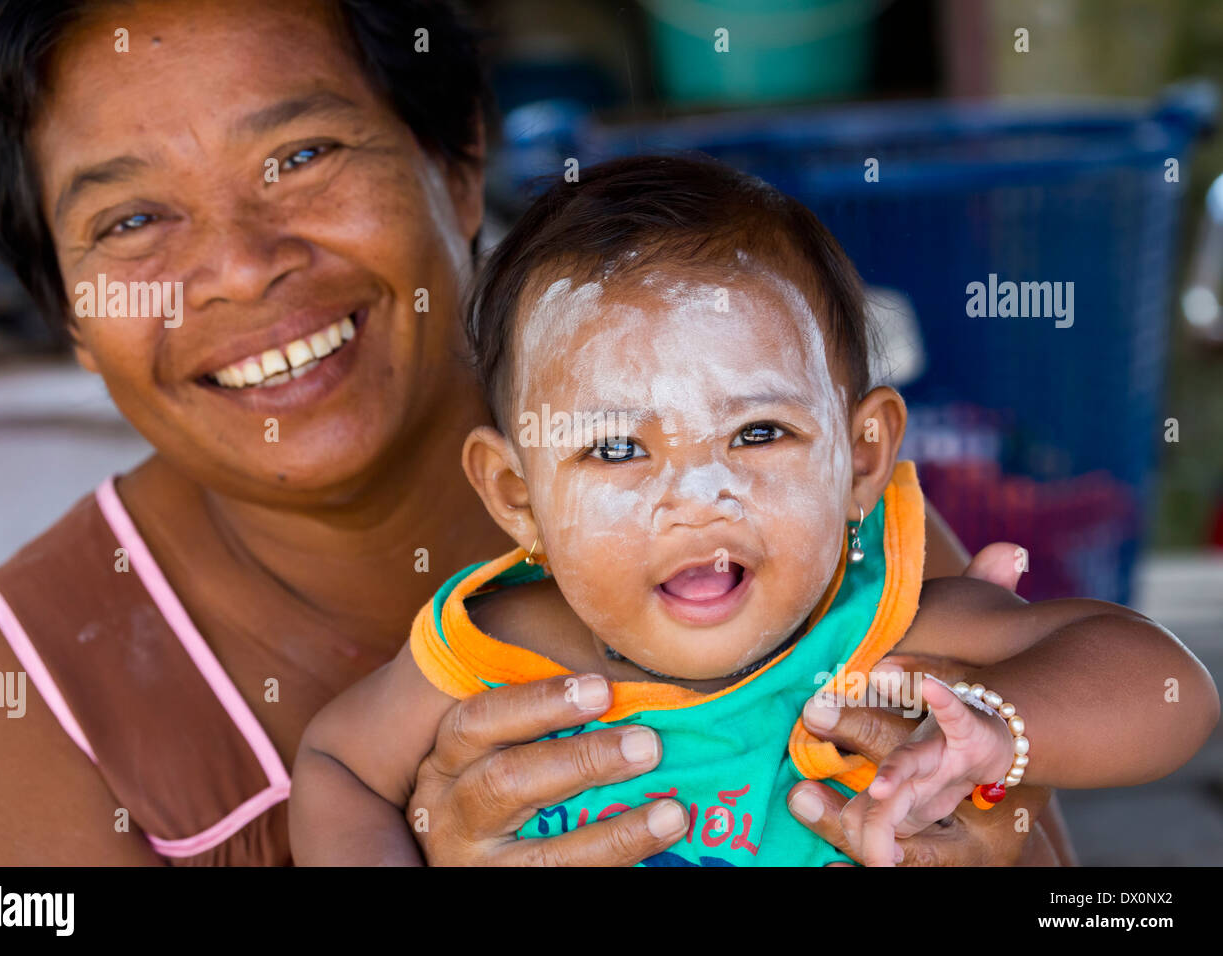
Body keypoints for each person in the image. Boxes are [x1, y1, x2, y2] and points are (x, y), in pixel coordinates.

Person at [0, 0, 1073, 865]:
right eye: (130, 219)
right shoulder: (30, 699)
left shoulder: (787, 506)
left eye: (302, 155)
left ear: (457, 163)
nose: (240, 265)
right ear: (70, 311)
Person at [290, 156, 1219, 866]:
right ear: (514, 495)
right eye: (617, 448)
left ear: (861, 458)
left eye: (758, 432)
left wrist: (1003, 725)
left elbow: (1165, 686)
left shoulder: (885, 633)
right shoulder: (494, 649)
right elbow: (334, 765)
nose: (696, 497)